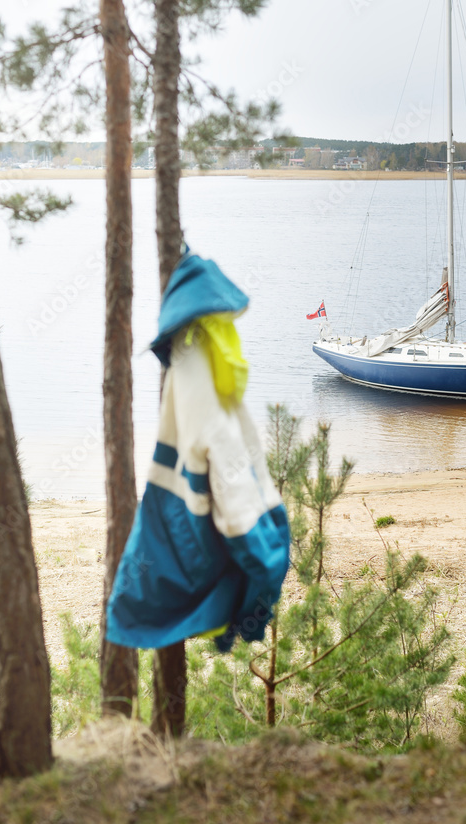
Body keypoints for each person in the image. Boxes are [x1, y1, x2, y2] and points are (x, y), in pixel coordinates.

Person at [106, 246, 290, 653]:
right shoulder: (215, 344)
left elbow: (217, 450)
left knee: (136, 599)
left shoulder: (190, 356)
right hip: (215, 491)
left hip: (194, 493)